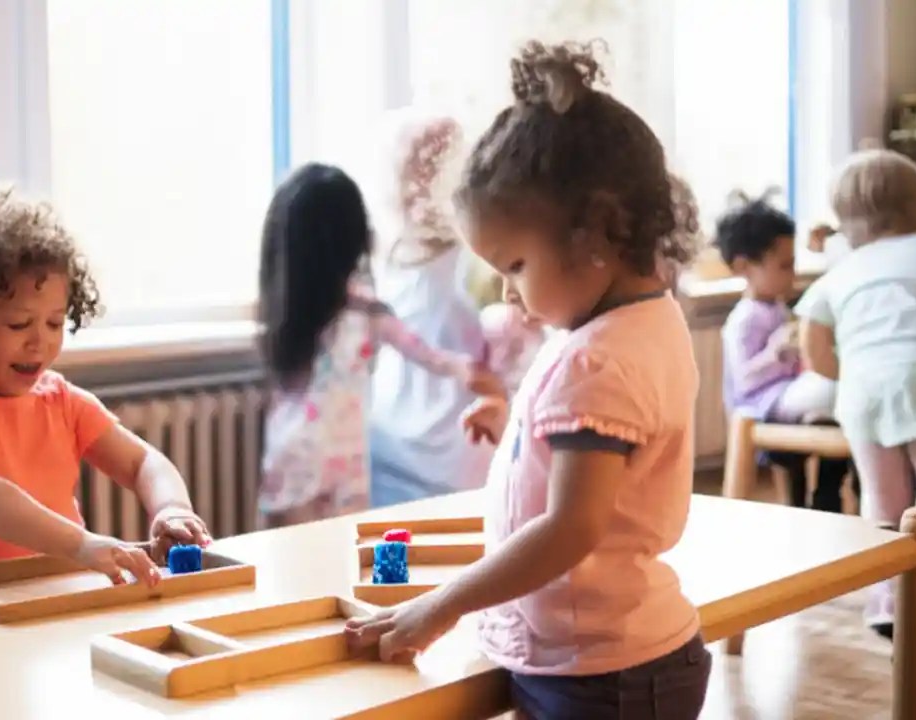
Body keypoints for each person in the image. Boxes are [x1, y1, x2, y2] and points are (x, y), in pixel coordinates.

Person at [346, 40, 711, 719]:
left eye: (515, 265)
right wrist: (522, 428)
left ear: (596, 234)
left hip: (604, 676)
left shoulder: (595, 359)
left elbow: (571, 527)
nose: (508, 293)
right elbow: (600, 450)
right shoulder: (644, 322)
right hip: (608, 661)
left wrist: (441, 604)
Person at [0, 190, 209, 595]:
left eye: (55, 324)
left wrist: (171, 508)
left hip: (53, 592)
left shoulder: (61, 400)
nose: (39, 343)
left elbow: (142, 461)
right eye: (19, 325)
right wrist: (82, 543)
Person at [256, 163, 500, 527]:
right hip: (338, 464)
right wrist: (470, 372)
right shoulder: (362, 312)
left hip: (300, 458)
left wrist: (466, 371)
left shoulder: (293, 313)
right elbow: (430, 356)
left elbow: (428, 355)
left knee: (289, 558)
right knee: (333, 558)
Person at [796, 148, 916, 639]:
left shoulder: (840, 273)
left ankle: (888, 604)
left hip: (859, 390)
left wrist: (853, 373)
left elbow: (813, 348)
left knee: (882, 502)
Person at [368, 111, 519, 506]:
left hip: (457, 459)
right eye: (411, 162)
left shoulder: (476, 257)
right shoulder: (384, 258)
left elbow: (517, 340)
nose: (418, 178)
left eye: (430, 162)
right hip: (388, 451)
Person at [714, 191, 850, 512]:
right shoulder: (744, 319)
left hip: (788, 397)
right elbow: (744, 380)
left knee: (832, 402)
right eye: (784, 266)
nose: (792, 275)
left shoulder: (775, 307)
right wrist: (777, 352)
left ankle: (825, 496)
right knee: (833, 390)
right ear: (743, 267)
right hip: (762, 404)